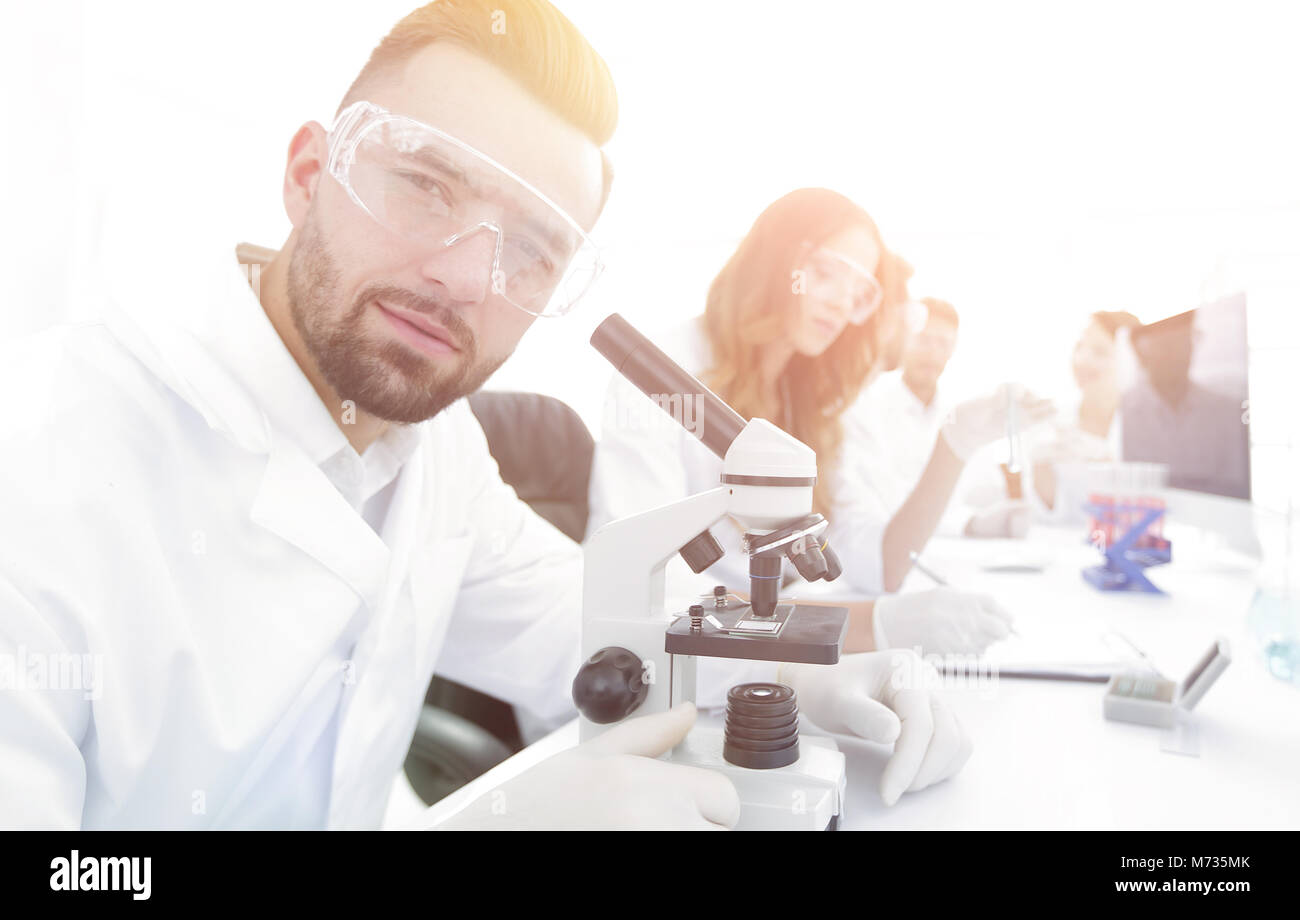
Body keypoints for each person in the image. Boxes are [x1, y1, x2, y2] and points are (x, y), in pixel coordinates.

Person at [0, 0, 970, 830]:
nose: (465, 277)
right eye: (424, 184)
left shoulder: (431, 450)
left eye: (535, 248)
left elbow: (594, 631)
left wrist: (804, 681)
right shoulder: (43, 462)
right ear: (307, 175)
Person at [588, 190, 1032, 676]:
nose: (842, 303)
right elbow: (649, 591)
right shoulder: (663, 374)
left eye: (859, 291)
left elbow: (877, 563)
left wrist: (955, 447)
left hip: (765, 652)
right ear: (774, 261)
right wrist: (866, 626)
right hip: (668, 671)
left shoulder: (817, 396)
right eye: (825, 274)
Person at [1120, 310, 1250, 499]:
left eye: (1185, 340)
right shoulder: (1121, 413)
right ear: (1142, 350)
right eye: (1167, 344)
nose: (1179, 353)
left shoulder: (1228, 411)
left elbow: (1236, 493)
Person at [1031, 310, 1140, 517]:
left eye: (1100, 352)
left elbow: (1151, 511)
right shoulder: (1051, 420)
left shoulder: (1147, 426)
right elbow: (1045, 513)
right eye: (1079, 347)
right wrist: (1040, 469)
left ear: (1130, 361)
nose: (1081, 360)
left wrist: (1109, 463)